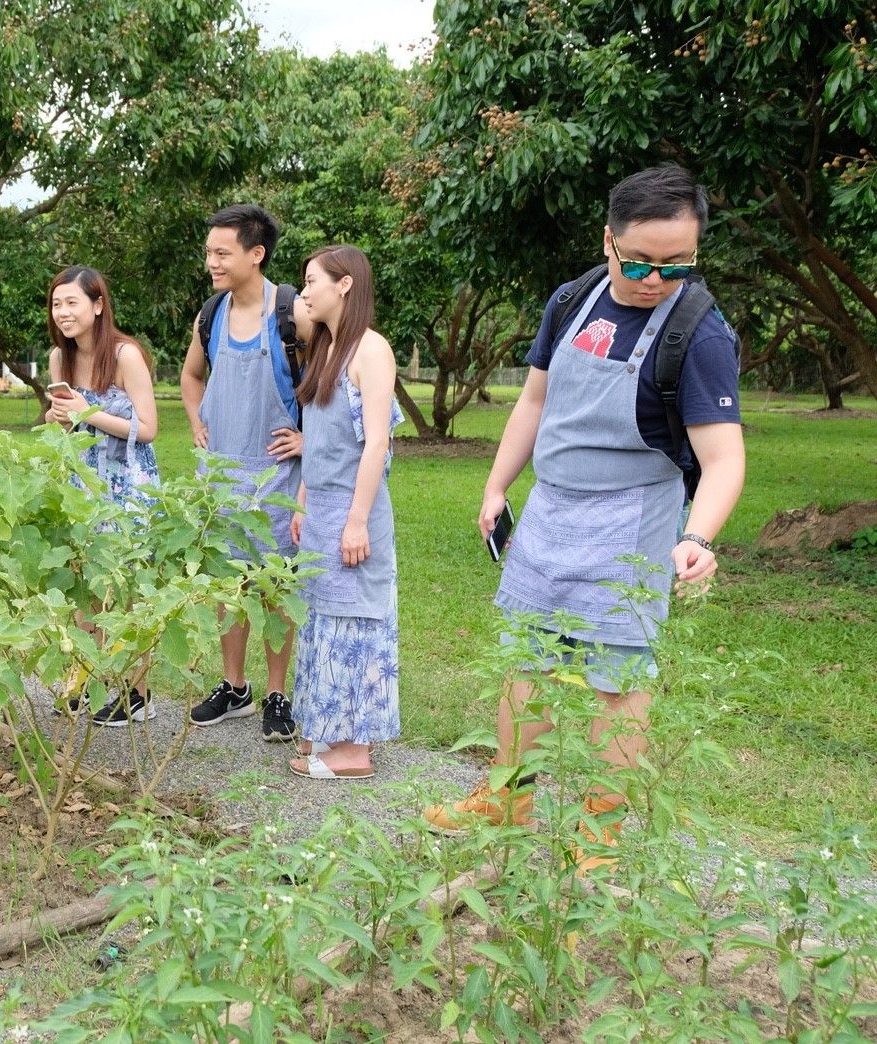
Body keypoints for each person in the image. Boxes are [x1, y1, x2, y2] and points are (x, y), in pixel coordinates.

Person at [422, 166, 746, 859]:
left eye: (675, 265)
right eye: (639, 262)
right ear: (608, 241)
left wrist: (698, 536)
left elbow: (723, 458)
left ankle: (598, 831)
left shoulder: (702, 333)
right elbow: (534, 403)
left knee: (617, 678)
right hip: (550, 509)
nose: (655, 279)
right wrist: (496, 485)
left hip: (632, 519)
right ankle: (508, 798)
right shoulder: (574, 299)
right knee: (524, 658)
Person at [180, 204, 311, 742]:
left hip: (277, 479)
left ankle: (277, 694)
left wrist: (310, 439)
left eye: (221, 252)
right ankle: (234, 687)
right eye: (209, 251)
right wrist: (196, 420)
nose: (211, 261)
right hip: (222, 479)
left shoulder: (292, 314)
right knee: (226, 588)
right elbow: (191, 377)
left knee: (275, 589)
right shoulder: (209, 314)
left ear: (255, 255)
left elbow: (323, 390)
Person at [285, 246, 402, 780]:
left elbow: (376, 443)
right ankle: (326, 731)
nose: (304, 292)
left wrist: (356, 519)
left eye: (311, 281)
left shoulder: (370, 349)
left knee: (355, 622)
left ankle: (355, 750)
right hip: (323, 509)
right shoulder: (325, 350)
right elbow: (320, 441)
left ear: (345, 284)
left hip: (355, 511)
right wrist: (303, 503)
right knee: (321, 624)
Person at [46, 266, 161, 727]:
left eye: (72, 302)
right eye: (57, 304)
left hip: (129, 483)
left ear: (97, 305)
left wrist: (87, 411)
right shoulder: (60, 358)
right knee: (85, 583)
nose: (63, 312)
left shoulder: (126, 355)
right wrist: (60, 417)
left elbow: (149, 429)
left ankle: (139, 693)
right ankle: (90, 683)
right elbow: (66, 423)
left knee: (128, 587)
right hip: (84, 481)